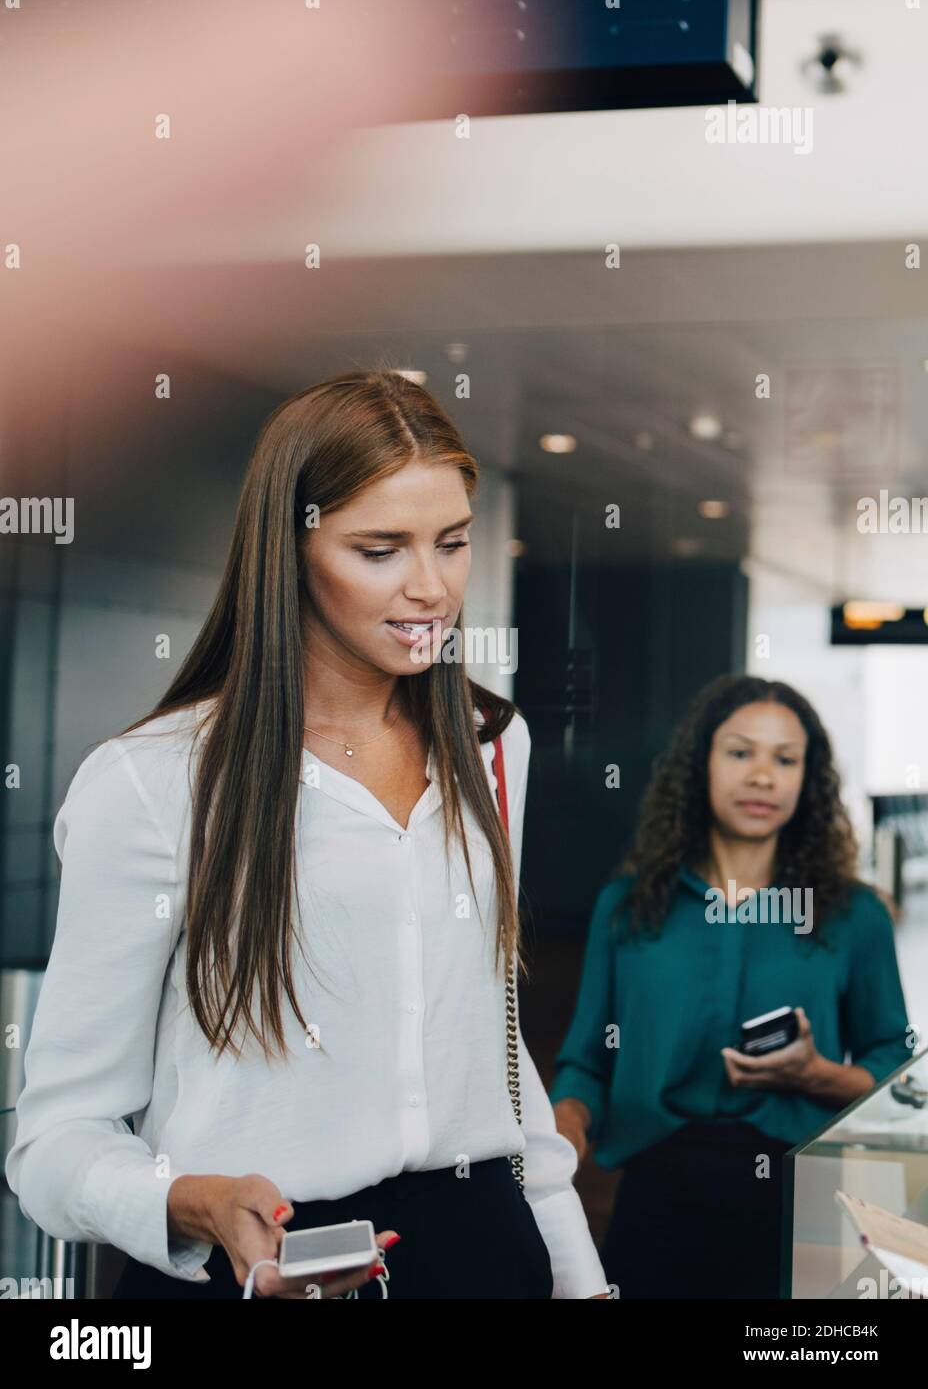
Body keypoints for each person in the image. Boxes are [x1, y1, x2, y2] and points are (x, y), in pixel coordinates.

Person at [6, 368, 609, 1300]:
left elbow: (496, 1051)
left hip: (484, 1250)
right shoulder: (154, 781)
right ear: (290, 550)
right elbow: (54, 1145)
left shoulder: (494, 745)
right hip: (261, 1260)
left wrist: (582, 1281)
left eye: (452, 544)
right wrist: (194, 1203)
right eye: (379, 549)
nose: (430, 588)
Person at [550, 674, 912, 1300]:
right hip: (657, 1202)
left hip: (804, 1207)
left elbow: (892, 1072)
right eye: (741, 752)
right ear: (702, 764)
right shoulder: (630, 907)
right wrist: (562, 1133)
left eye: (786, 759)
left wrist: (816, 1075)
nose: (763, 776)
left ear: (808, 778)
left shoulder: (855, 916)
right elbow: (588, 1062)